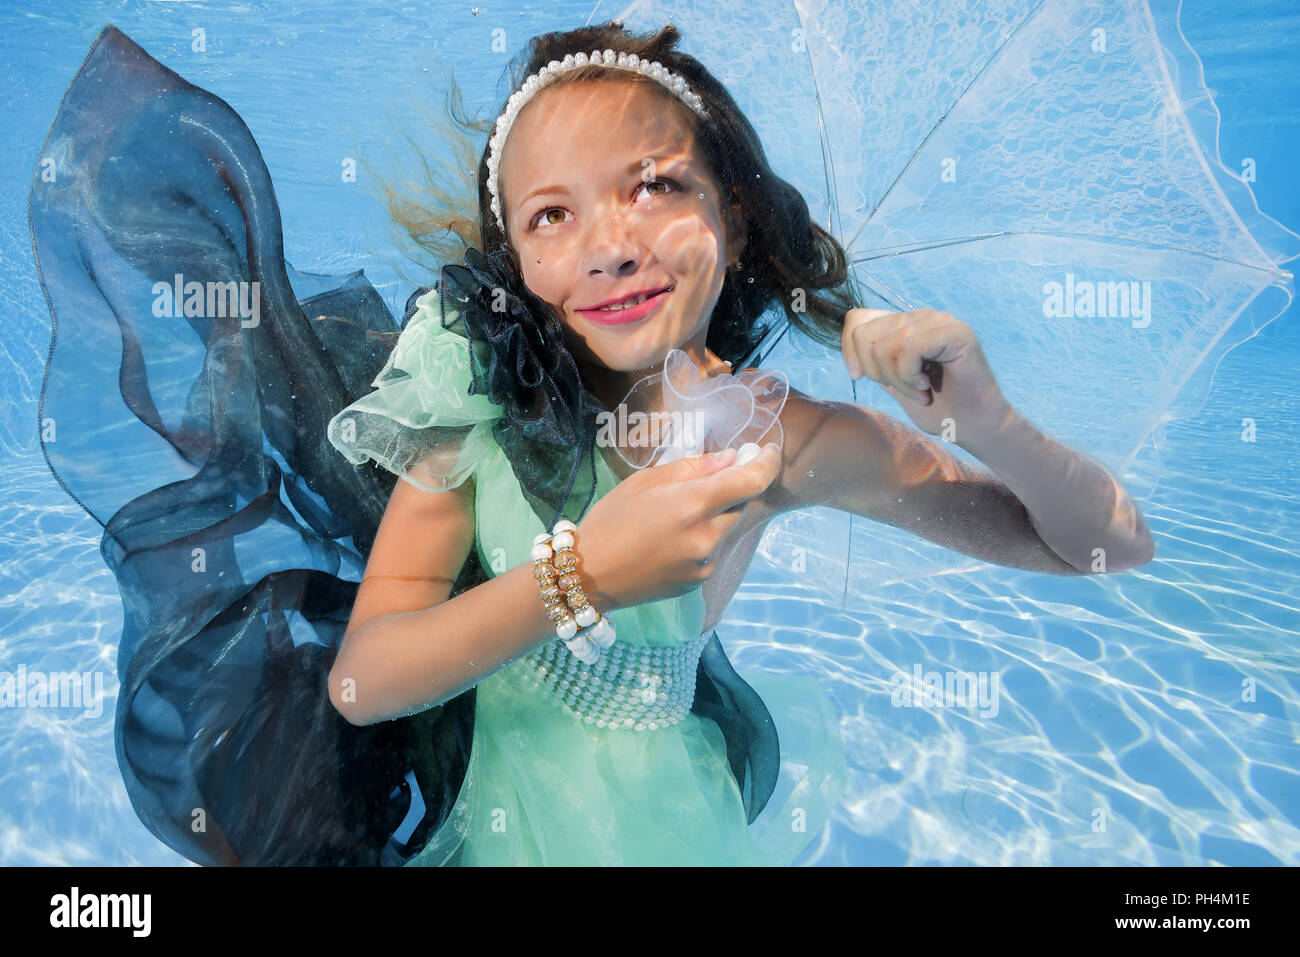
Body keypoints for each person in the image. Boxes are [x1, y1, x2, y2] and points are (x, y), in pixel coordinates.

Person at [31, 19, 1154, 868]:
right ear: (514, 260)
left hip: (662, 816)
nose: (610, 247)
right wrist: (582, 575)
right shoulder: (472, 405)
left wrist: (984, 423)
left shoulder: (782, 442)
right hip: (479, 807)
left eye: (656, 186)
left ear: (736, 215)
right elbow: (366, 683)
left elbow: (1100, 548)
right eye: (551, 215)